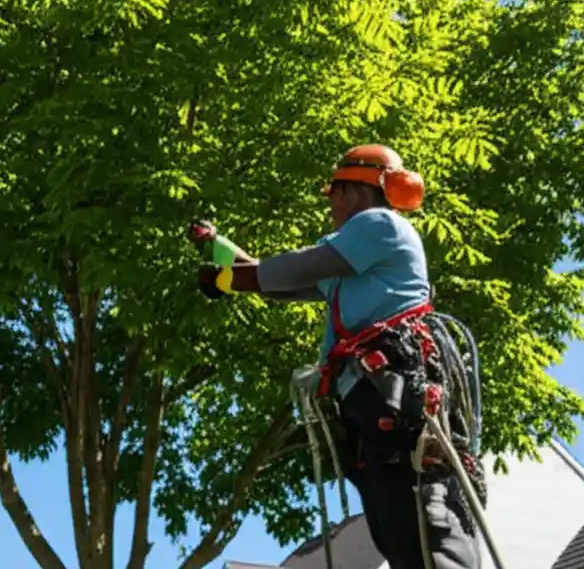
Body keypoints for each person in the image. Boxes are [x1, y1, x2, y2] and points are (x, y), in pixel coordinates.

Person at [193, 144, 483, 569]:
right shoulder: (354, 258)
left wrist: (223, 279)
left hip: (397, 390)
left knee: (424, 527)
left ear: (354, 191)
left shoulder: (379, 224)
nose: (329, 204)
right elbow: (278, 282)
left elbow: (295, 269)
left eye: (333, 192)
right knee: (397, 533)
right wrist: (218, 250)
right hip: (371, 400)